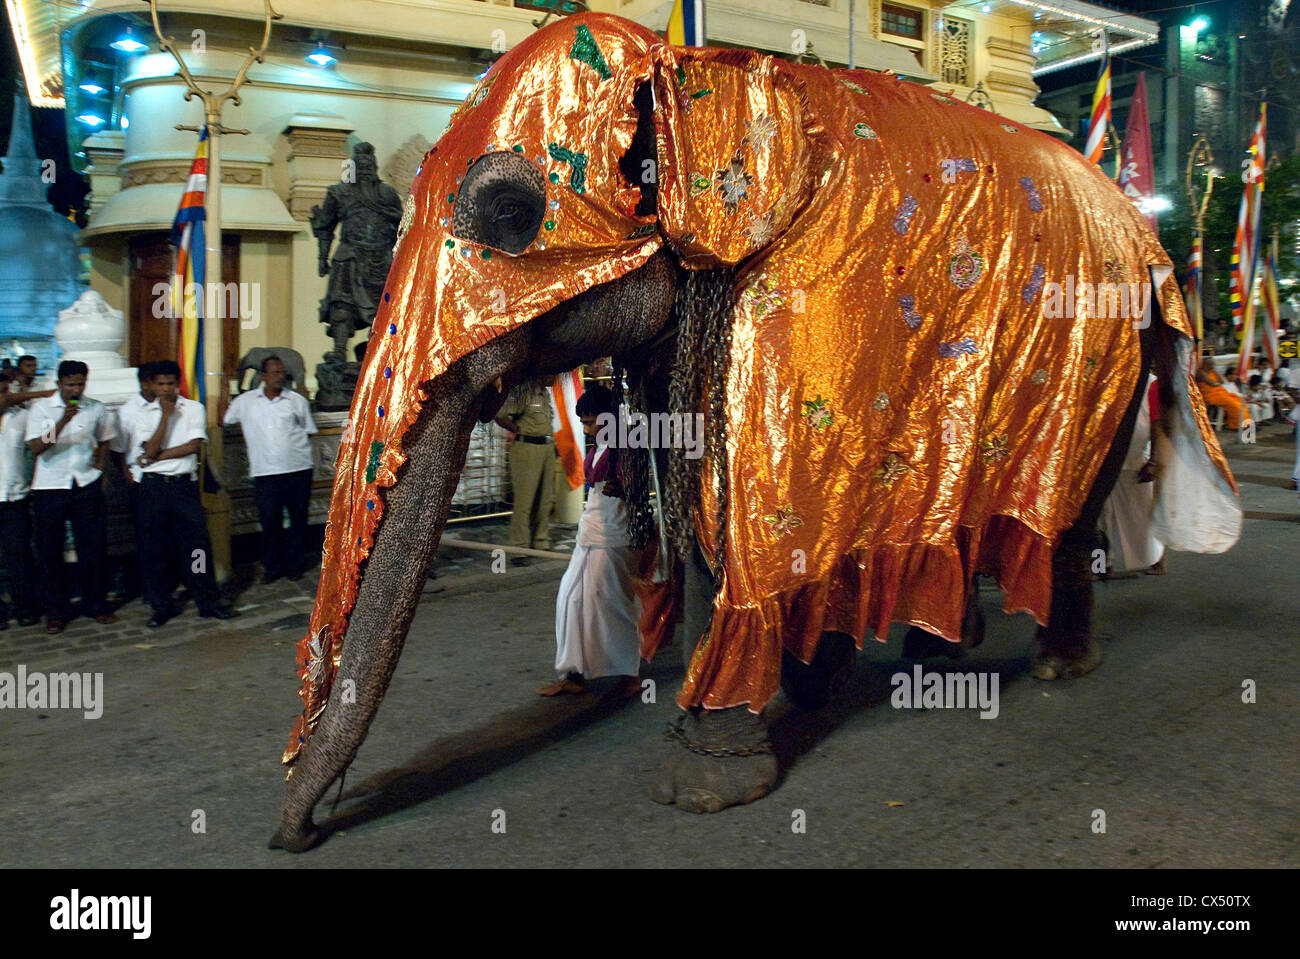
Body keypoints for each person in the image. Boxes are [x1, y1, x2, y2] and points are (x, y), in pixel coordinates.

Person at [540, 385, 642, 698]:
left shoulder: (627, 444)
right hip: (591, 529)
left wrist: (625, 489)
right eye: (583, 422)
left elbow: (643, 484)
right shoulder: (599, 444)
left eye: (590, 421)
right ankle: (572, 673)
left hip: (614, 533)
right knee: (570, 599)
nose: (585, 428)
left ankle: (629, 674)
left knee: (609, 604)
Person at [115, 361, 230, 627]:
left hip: (183, 486)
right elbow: (133, 448)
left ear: (177, 383)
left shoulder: (192, 409)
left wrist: (153, 456)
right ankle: (160, 605)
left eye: (170, 383)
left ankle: (207, 601)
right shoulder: (138, 413)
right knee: (153, 550)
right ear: (152, 385)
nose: (166, 389)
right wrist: (165, 417)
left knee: (197, 549)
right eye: (161, 384)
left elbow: (191, 447)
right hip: (151, 488)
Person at [23, 360, 118, 633]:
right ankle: (56, 611)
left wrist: (99, 470)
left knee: (93, 545)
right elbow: (37, 447)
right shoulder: (41, 408)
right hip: (50, 485)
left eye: (80, 384)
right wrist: (64, 418)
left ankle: (96, 603)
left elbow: (104, 440)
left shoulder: (96, 408)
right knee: (50, 550)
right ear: (59, 384)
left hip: (84, 482)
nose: (76, 389)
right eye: (70, 384)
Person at [222, 355, 318, 582]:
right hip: (265, 472)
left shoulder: (296, 401)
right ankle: (272, 567)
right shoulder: (246, 402)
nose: (279, 376)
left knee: (297, 520)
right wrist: (223, 391)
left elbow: (307, 430)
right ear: (263, 376)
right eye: (274, 372)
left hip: (298, 469)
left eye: (282, 372)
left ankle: (295, 565)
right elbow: (225, 420)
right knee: (269, 520)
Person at [1099, 373, 1165, 576]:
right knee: (1103, 517)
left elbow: (1157, 424)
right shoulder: (1109, 372)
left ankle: (1158, 561)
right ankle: (1102, 566)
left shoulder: (1152, 382)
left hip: (1138, 461)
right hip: (1107, 460)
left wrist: (1154, 461)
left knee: (1146, 513)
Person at [0, 367, 48, 628]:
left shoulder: (22, 418)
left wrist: (57, 421)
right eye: (1, 392)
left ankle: (25, 607)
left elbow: (45, 441)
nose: (6, 397)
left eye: (7, 391)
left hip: (14, 499)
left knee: (20, 555)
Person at [495, 375, 558, 561]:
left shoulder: (544, 394)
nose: (554, 379)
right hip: (527, 448)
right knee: (525, 500)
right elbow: (499, 414)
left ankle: (540, 541)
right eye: (552, 373)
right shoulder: (524, 392)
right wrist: (514, 428)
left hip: (546, 447)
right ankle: (519, 547)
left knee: (546, 499)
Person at [1195, 357, 1245, 431]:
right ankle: (1236, 426)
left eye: (1213, 364)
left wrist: (1215, 372)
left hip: (1219, 392)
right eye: (1211, 364)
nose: (1212, 366)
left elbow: (1221, 381)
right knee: (1233, 404)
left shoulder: (1212, 371)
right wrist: (1217, 384)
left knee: (1239, 401)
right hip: (1209, 396)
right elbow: (1212, 384)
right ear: (1206, 365)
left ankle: (1245, 423)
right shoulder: (1201, 372)